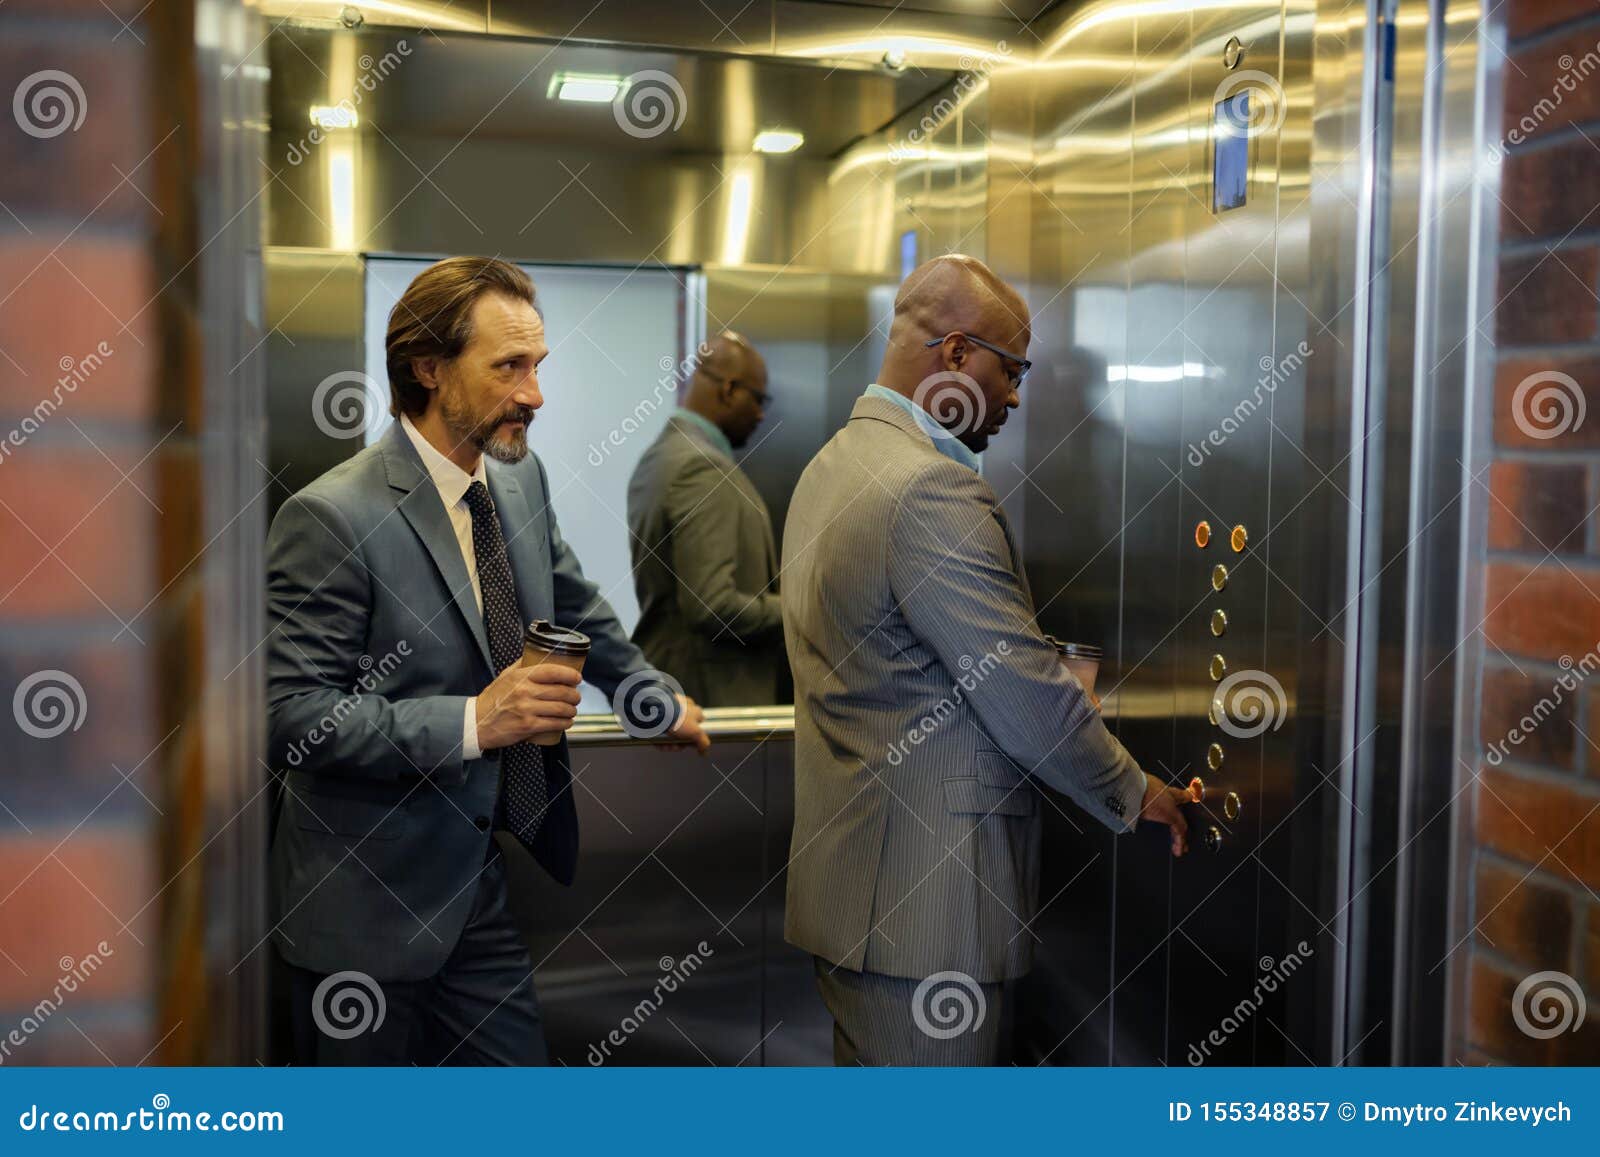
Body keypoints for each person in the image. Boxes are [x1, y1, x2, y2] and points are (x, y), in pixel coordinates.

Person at [265, 257, 709, 1065]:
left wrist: (644, 688)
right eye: (509, 367)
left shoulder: (518, 479)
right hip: (364, 916)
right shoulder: (331, 516)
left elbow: (568, 602)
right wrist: (478, 720)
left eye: (538, 365)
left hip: (479, 894)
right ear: (428, 369)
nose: (535, 394)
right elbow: (291, 714)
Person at [780, 254, 1193, 1066]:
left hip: (855, 897)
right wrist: (1137, 791)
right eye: (1011, 370)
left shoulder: (829, 468)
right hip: (923, 914)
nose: (1013, 396)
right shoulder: (929, 492)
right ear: (959, 355)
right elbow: (1021, 692)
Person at [627, 331, 785, 706]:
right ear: (729, 390)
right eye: (758, 399)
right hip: (709, 699)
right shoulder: (702, 467)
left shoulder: (661, 456)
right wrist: (800, 610)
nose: (761, 414)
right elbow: (713, 606)